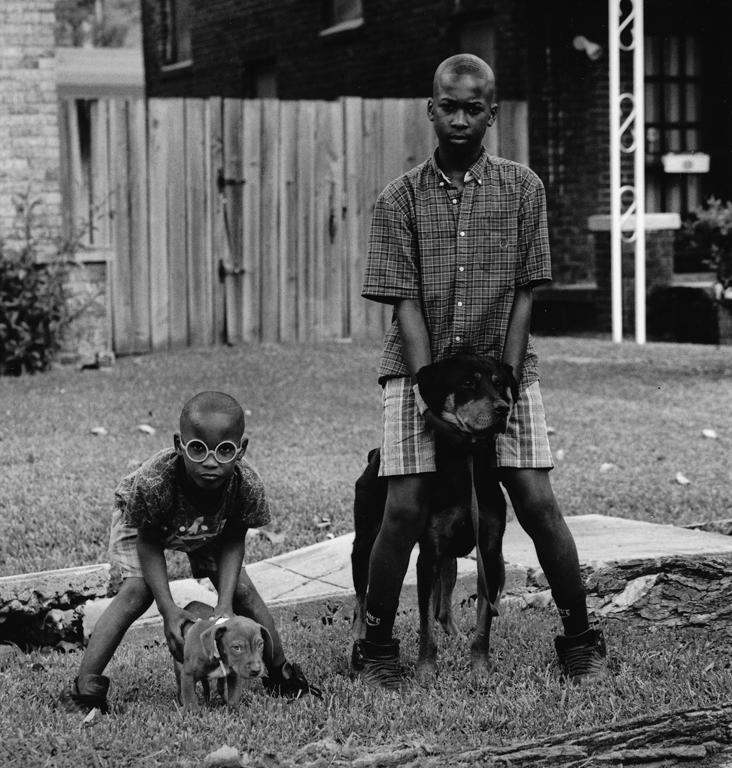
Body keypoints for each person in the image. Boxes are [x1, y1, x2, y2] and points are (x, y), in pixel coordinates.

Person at [353, 54, 608, 690]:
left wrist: (510, 384)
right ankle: (378, 646)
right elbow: (405, 303)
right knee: (405, 507)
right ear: (430, 110)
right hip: (419, 372)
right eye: (449, 106)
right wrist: (429, 392)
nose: (460, 119)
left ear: (492, 115)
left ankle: (578, 638)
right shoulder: (398, 200)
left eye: (475, 109)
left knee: (535, 499)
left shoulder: (524, 189)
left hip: (504, 373)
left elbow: (526, 294)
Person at [59, 391, 320, 712]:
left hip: (208, 525)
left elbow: (233, 542)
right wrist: (168, 609)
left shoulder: (246, 485)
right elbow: (149, 542)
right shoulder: (155, 481)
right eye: (198, 448)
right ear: (179, 444)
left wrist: (224, 603)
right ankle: (85, 687)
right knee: (138, 591)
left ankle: (282, 675)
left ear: (241, 450)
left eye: (224, 450)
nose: (210, 461)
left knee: (242, 590)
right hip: (142, 521)